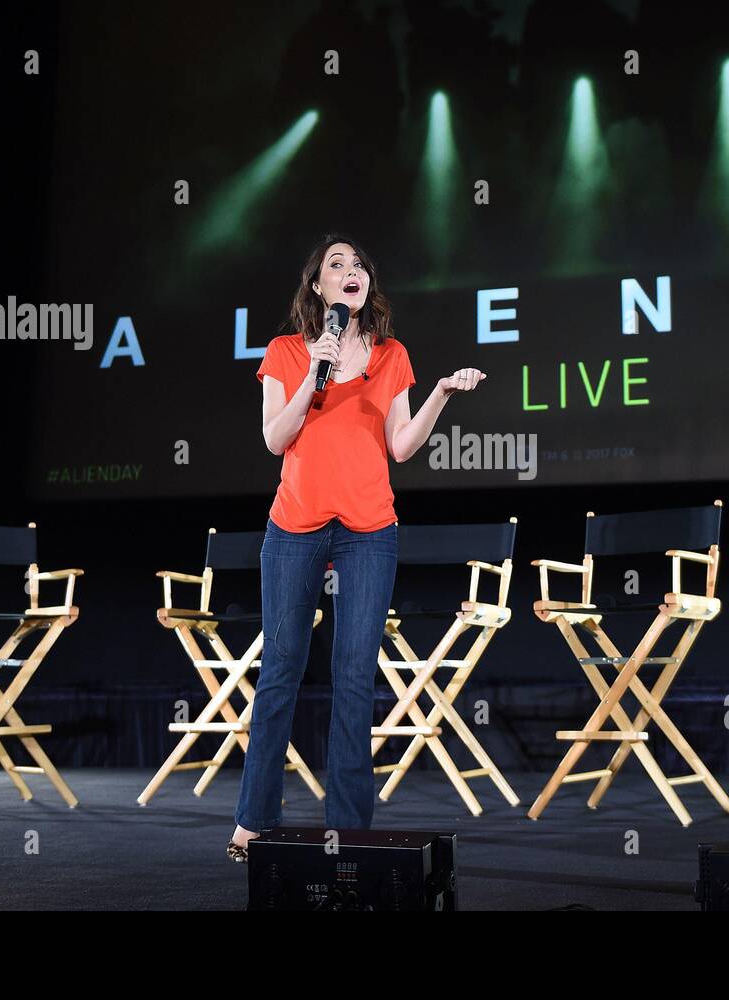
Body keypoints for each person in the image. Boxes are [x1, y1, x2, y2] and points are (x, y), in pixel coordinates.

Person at [228, 233, 486, 860]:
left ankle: (349, 830)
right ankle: (252, 821)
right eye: (335, 265)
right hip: (295, 524)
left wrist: (441, 396)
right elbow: (274, 438)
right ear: (317, 286)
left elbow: (400, 446)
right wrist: (316, 369)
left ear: (367, 284)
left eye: (359, 265)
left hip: (370, 527)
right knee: (282, 672)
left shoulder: (392, 354)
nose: (351, 272)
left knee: (352, 676)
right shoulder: (287, 351)